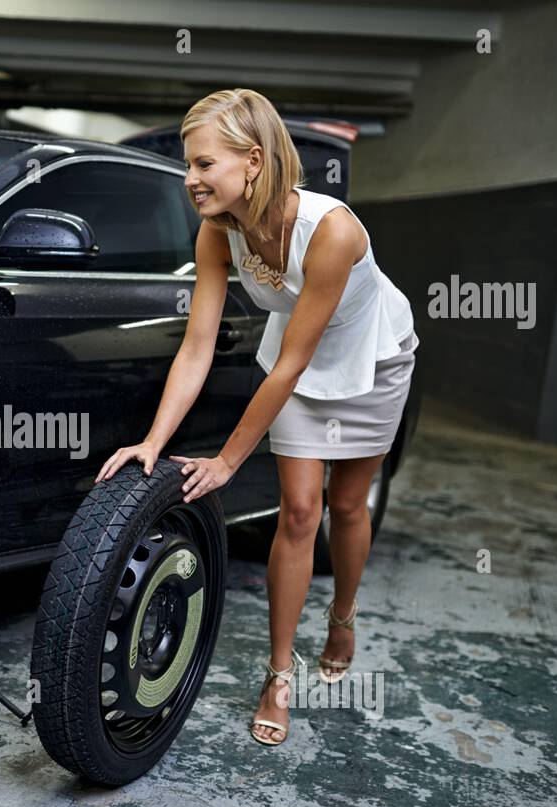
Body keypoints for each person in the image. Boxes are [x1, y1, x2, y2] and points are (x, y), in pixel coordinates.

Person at [95, 88, 417, 746]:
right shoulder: (217, 232)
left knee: (348, 505)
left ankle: (345, 615)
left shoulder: (333, 231)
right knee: (300, 510)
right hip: (295, 363)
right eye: (189, 165)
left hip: (372, 362)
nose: (191, 179)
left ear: (253, 160)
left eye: (203, 164)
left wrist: (227, 461)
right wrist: (155, 440)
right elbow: (198, 344)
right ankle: (279, 674)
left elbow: (293, 364)